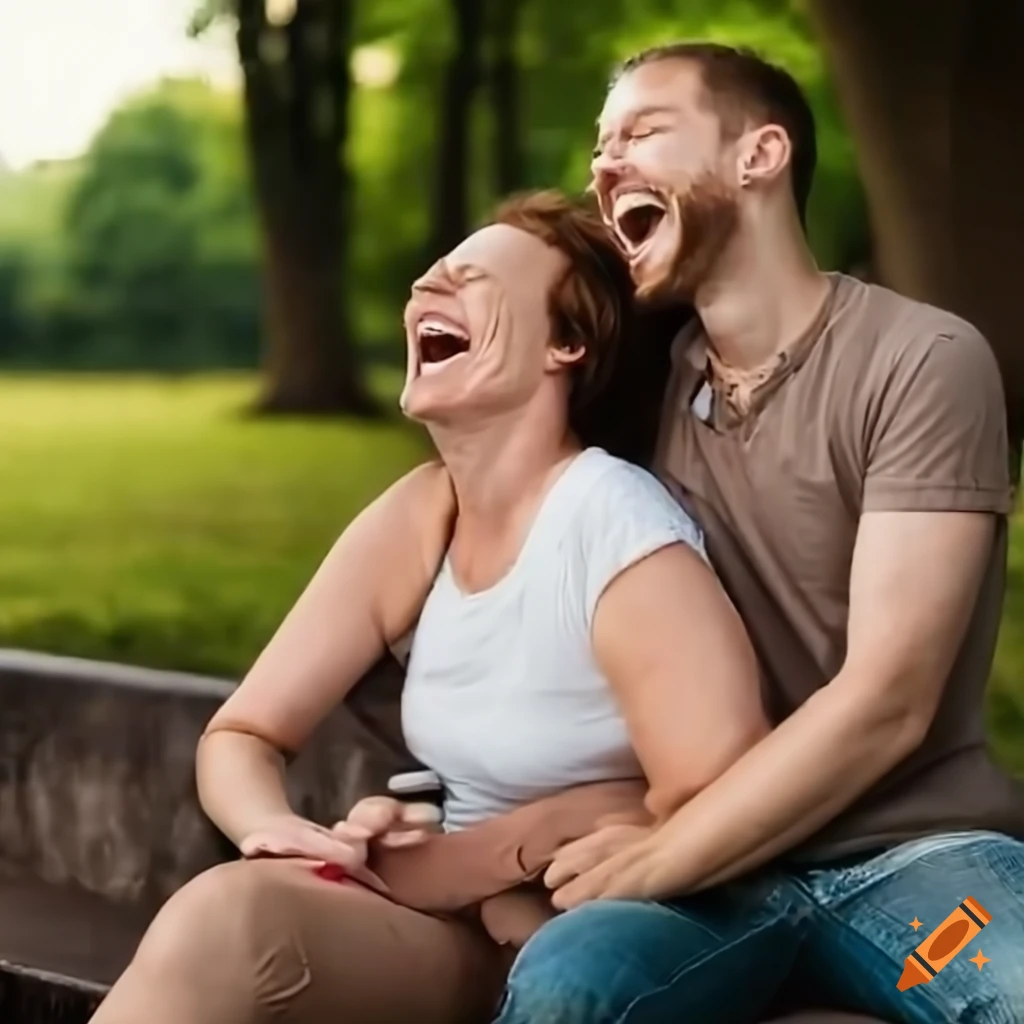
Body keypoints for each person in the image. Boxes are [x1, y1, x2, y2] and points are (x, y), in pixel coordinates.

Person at [89, 191, 766, 1024]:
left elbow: (728, 795)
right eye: (431, 276)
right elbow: (243, 734)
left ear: (567, 344)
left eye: (470, 279)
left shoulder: (610, 520)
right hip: (451, 919)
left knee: (235, 926)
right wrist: (282, 831)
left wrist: (477, 859)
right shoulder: (425, 511)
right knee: (232, 912)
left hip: (575, 948)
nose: (425, 288)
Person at [486, 43, 1024, 1024]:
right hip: (710, 895)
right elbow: (478, 528)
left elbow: (886, 702)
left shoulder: (923, 360)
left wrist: (657, 857)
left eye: (643, 131)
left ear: (759, 154)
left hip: (920, 870)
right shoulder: (638, 385)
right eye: (599, 148)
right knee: (571, 989)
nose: (604, 167)